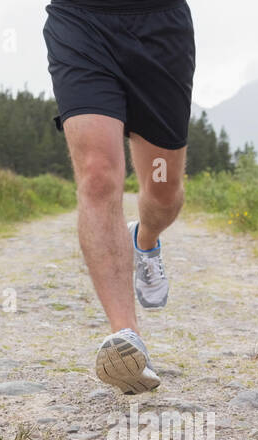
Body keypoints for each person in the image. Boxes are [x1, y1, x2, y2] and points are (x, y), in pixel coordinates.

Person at [43, 0, 196, 395]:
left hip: (160, 27)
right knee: (97, 175)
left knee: (164, 192)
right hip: (79, 21)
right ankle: (127, 341)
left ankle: (144, 238)